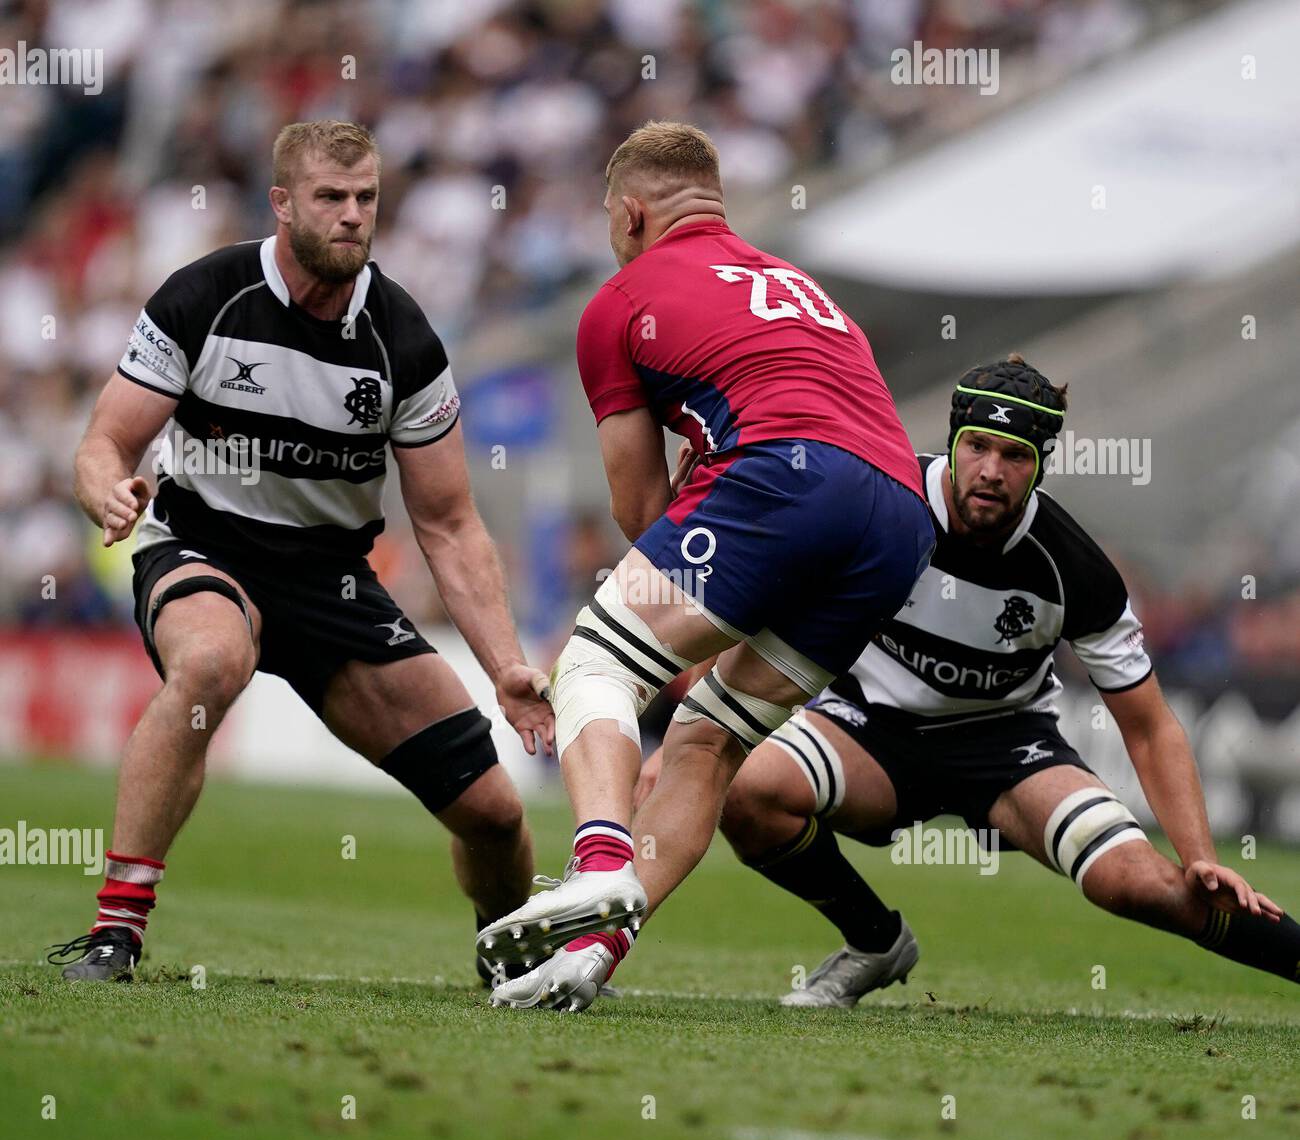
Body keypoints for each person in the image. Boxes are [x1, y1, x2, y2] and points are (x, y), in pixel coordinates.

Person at [49, 120, 553, 983]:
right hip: (201, 546)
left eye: (366, 199)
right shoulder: (202, 295)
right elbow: (105, 442)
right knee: (210, 661)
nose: (352, 217)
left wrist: (505, 663)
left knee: (496, 813)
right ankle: (114, 932)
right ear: (283, 203)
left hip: (332, 585)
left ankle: (511, 956)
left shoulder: (406, 341)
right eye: (331, 197)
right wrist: (106, 487)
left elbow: (450, 524)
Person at [644, 355, 1298, 1007]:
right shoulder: (877, 503)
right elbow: (752, 583)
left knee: (1134, 883)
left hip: (1007, 748)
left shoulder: (1076, 570)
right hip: (868, 728)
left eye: (1014, 455)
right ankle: (875, 941)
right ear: (952, 444)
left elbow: (1151, 727)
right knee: (744, 788)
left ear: (1040, 465)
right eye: (977, 446)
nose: (990, 470)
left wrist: (1200, 853)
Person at [478, 121, 933, 1010]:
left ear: (634, 210)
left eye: (612, 218)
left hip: (786, 478)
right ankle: (590, 958)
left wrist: (679, 624)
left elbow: (639, 507)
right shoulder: (796, 282)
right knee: (708, 744)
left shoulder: (621, 298)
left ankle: (601, 857)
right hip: (900, 513)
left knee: (597, 660)